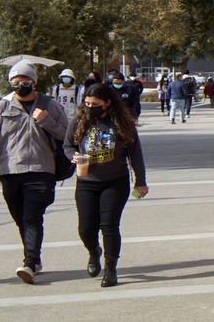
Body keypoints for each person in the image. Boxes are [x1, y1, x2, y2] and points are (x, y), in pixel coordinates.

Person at [0, 60, 72, 284]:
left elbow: (68, 136)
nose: (20, 85)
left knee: (31, 216)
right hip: (10, 171)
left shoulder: (50, 105)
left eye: (25, 81)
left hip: (41, 170)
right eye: (15, 81)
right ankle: (34, 257)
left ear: (33, 82)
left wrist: (47, 121)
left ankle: (30, 263)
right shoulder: (2, 108)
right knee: (21, 219)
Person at [69, 84, 145, 287]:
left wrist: (140, 181)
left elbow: (135, 154)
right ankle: (94, 251)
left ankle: (111, 268)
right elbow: (68, 144)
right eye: (87, 104)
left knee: (109, 226)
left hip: (115, 182)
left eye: (95, 104)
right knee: (85, 228)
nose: (90, 108)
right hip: (86, 182)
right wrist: (72, 155)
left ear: (108, 103)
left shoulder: (121, 123)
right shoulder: (79, 120)